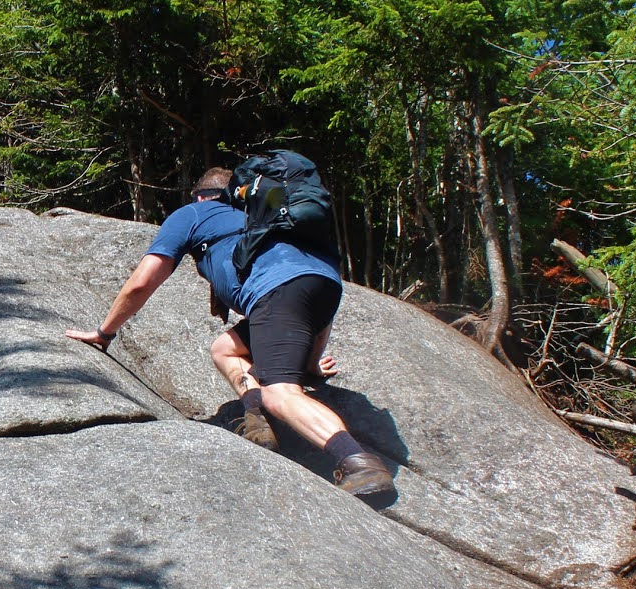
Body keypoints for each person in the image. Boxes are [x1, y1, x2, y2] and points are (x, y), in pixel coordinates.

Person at [65, 165, 396, 500]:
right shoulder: (263, 222)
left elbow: (142, 282)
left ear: (199, 195)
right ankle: (258, 419)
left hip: (278, 291)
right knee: (225, 348)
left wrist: (104, 333)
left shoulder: (194, 213)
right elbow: (312, 302)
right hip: (324, 284)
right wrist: (310, 362)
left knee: (281, 392)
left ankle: (357, 461)